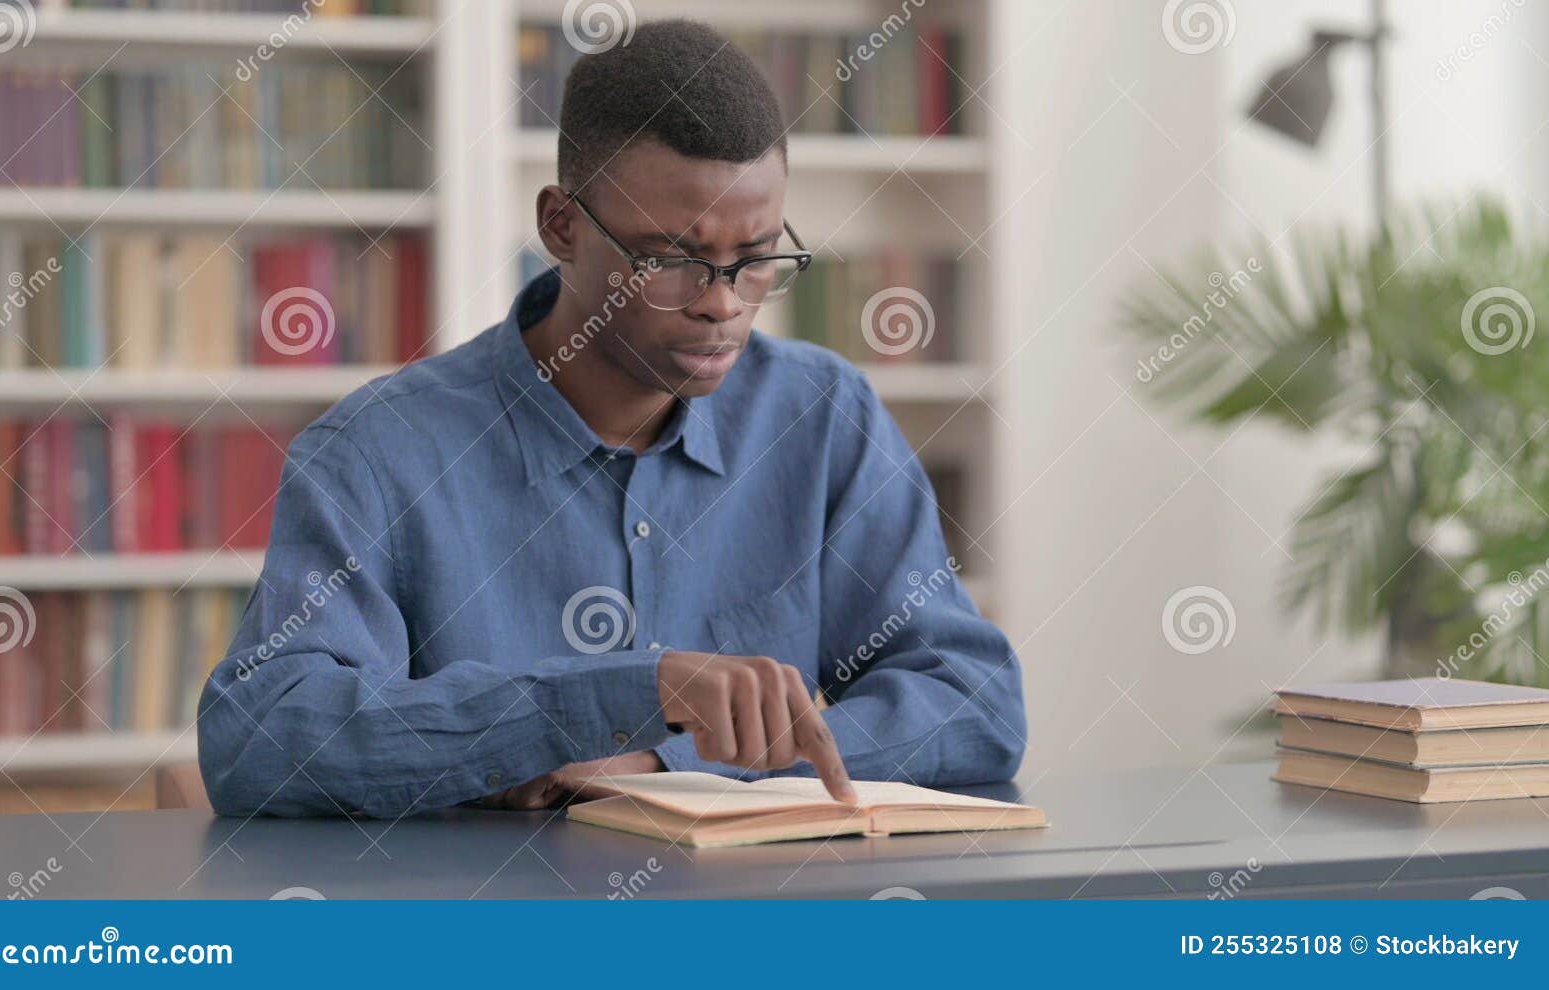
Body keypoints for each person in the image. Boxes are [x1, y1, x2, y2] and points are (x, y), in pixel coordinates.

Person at [197, 18, 1026, 817]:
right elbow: (261, 736)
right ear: (561, 225)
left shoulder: (822, 417)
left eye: (757, 258)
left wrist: (668, 758)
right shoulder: (377, 452)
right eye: (670, 260)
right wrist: (612, 697)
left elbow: (974, 698)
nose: (723, 305)